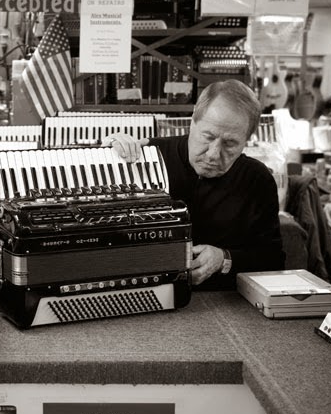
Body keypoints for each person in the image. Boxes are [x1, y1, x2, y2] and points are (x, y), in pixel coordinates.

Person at [105, 79, 285, 289]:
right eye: (208, 137)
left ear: (247, 140)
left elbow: (273, 259)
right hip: (140, 291)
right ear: (192, 122)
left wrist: (224, 258)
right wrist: (104, 158)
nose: (213, 154)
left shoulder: (257, 179)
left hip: (220, 299)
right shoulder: (147, 156)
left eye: (230, 143)